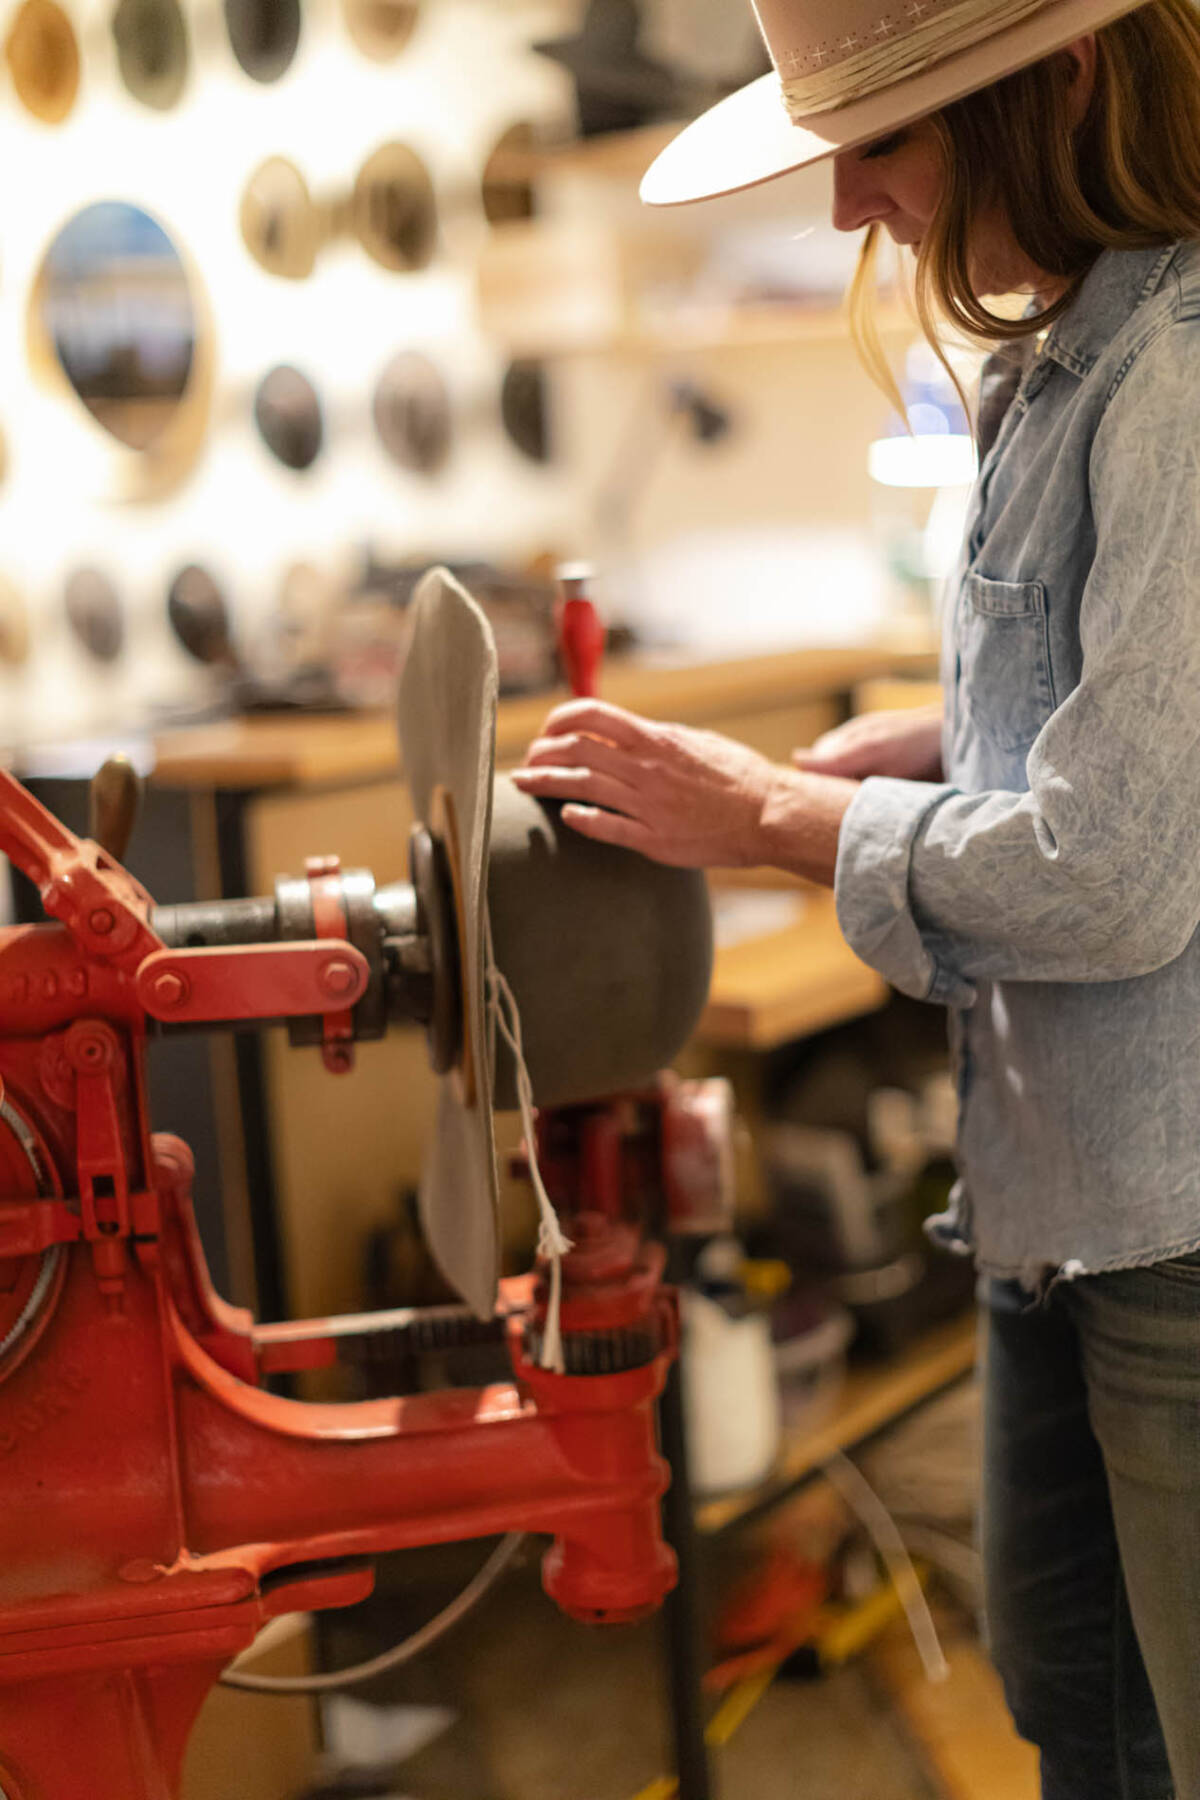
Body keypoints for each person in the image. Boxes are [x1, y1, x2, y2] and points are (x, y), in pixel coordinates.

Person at [511, 2, 1200, 1794]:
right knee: (1083, 1719)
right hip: (1063, 1199)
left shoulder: (1183, 373)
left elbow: (1113, 871)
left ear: (1052, 86)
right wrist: (940, 732)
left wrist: (765, 817)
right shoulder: (1062, 367)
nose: (844, 208)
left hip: (1180, 1228)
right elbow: (1103, 724)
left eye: (884, 142)